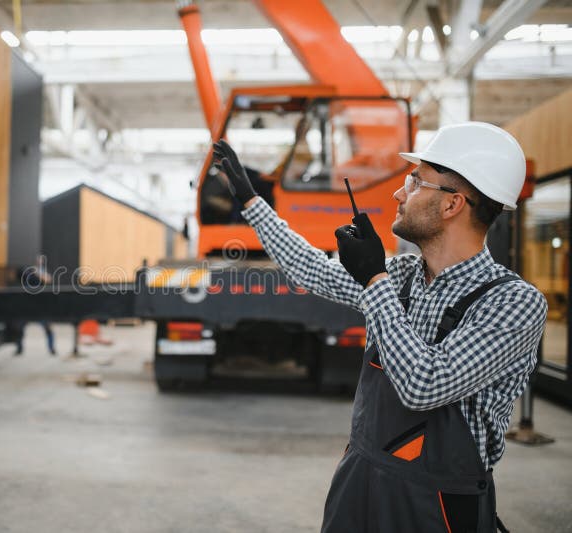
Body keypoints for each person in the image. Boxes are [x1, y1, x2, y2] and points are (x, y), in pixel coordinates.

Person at [213, 121, 547, 532]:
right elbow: (312, 269)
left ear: (452, 205)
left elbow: (425, 384)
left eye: (416, 182)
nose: (399, 193)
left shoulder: (513, 303)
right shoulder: (402, 275)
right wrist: (252, 201)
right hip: (360, 481)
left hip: (436, 506)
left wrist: (374, 280)